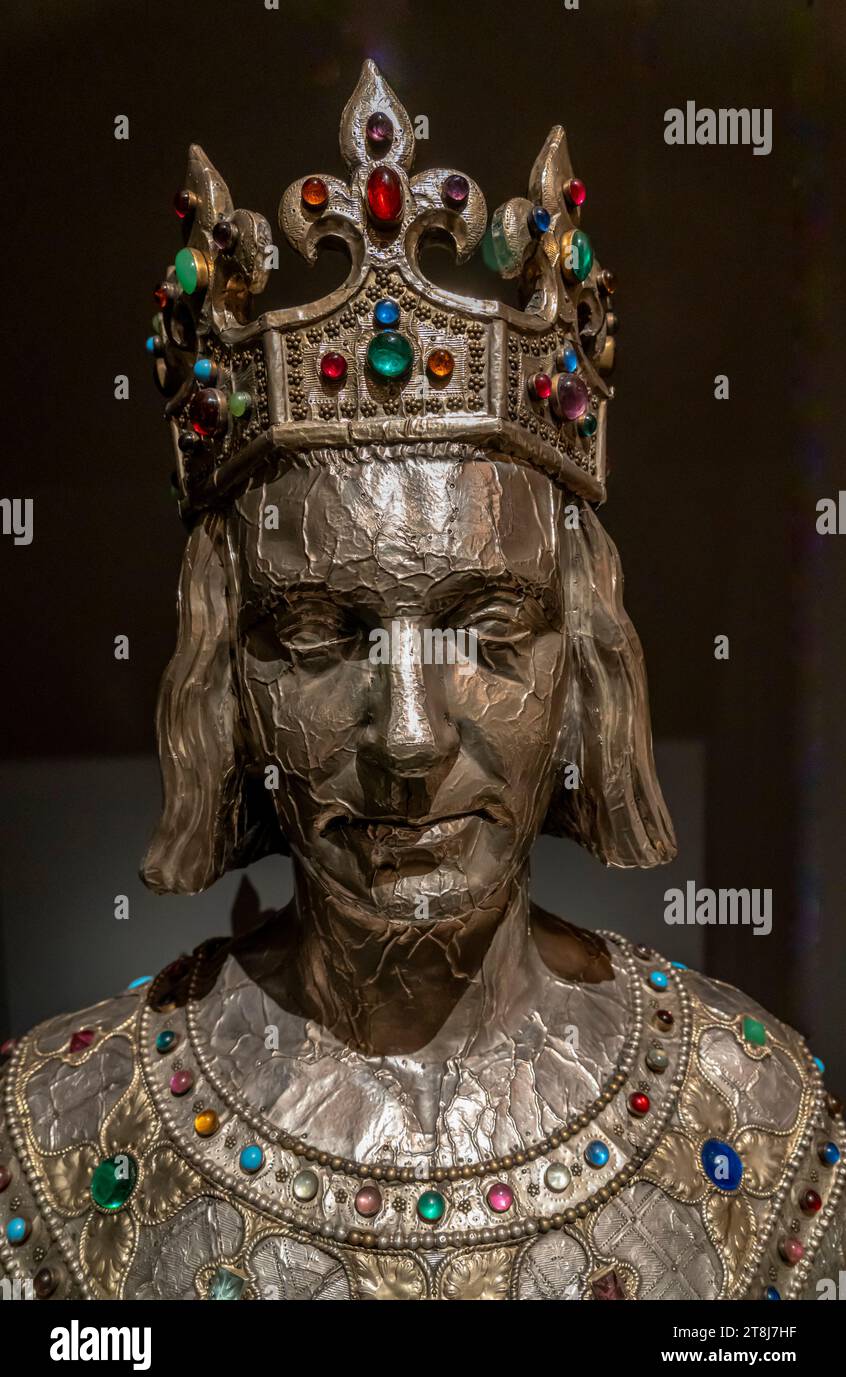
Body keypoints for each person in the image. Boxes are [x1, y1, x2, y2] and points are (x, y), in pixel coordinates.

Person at [0, 62, 842, 1302]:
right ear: (223, 671)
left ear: (589, 654)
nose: (406, 740)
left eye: (489, 630)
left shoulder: (754, 1134)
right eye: (320, 634)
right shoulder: (67, 1143)